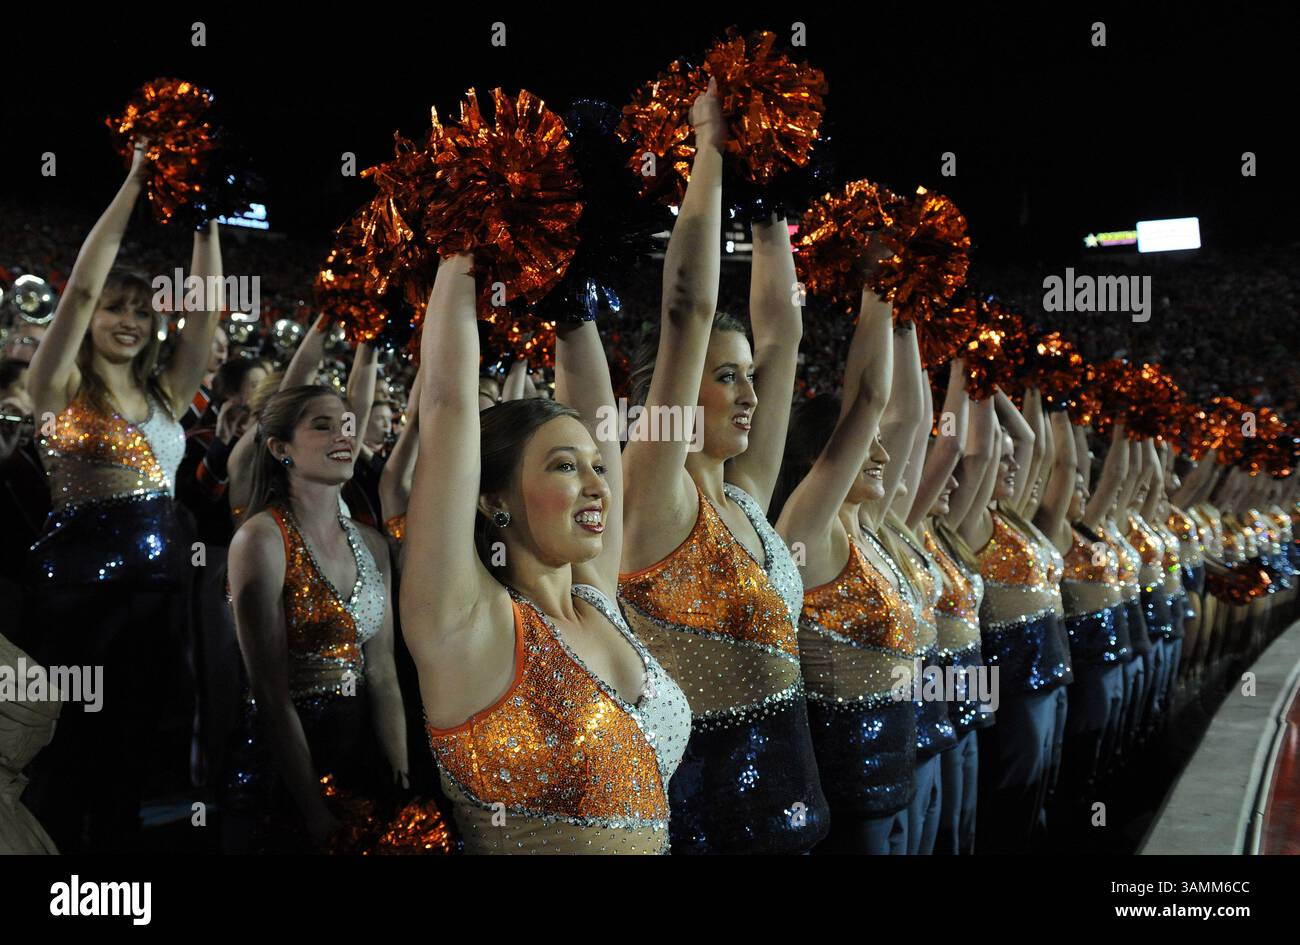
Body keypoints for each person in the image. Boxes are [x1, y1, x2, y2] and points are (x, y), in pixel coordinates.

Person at [402, 251, 689, 854]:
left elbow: (598, 420)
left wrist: (571, 282)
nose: (596, 484)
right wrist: (465, 240)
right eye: (564, 467)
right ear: (492, 498)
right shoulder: (464, 624)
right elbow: (448, 407)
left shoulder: (595, 597)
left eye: (595, 466)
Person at [617, 81, 828, 854]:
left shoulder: (744, 493)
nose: (750, 394)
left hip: (801, 815)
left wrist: (771, 199)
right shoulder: (654, 498)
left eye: (747, 378)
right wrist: (709, 148)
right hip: (714, 831)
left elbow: (784, 335)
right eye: (726, 377)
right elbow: (686, 312)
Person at [20, 141, 223, 852]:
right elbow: (76, 286)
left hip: (158, 601)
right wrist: (138, 179)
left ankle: (112, 876)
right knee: (65, 754)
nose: (129, 319)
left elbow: (203, 316)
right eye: (116, 307)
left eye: (141, 309)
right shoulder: (59, 389)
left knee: (131, 762)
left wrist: (207, 212)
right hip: (79, 603)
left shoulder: (166, 393)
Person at [224, 384, 412, 851]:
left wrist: (400, 780)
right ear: (280, 448)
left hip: (359, 749)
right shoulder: (261, 540)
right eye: (323, 425)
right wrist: (313, 809)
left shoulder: (373, 544)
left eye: (347, 424)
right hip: (285, 765)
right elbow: (269, 690)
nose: (343, 436)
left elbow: (383, 672)